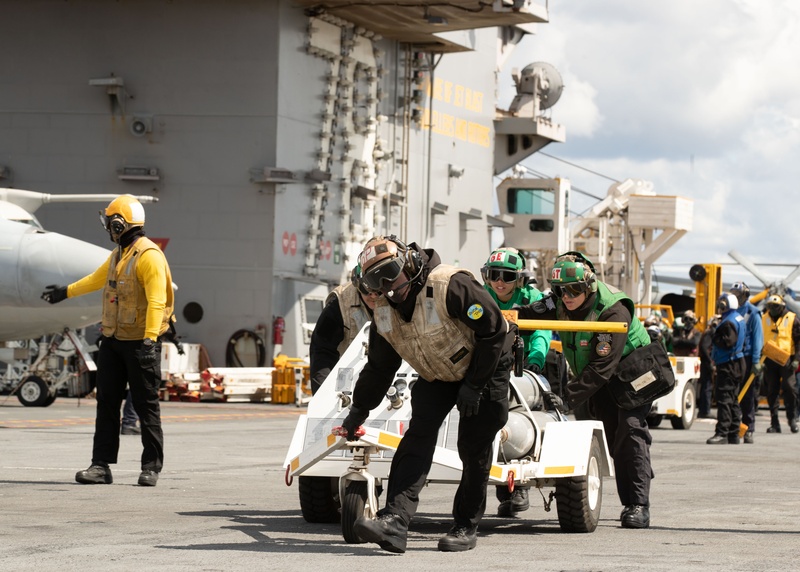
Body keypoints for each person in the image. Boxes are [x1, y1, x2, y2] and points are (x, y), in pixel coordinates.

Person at [341, 235, 514, 553]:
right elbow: (380, 366)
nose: (387, 287)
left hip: (485, 365)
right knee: (417, 437)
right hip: (437, 374)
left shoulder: (450, 284)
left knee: (473, 448)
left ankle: (465, 525)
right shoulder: (383, 310)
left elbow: (494, 331)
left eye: (390, 274)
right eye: (375, 281)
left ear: (407, 263)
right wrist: (359, 411)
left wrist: (475, 385)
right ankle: (393, 522)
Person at [41, 194, 174, 487]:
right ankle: (100, 466)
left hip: (141, 343)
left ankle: (151, 467)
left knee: (146, 405)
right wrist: (65, 292)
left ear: (118, 224)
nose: (107, 228)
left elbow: (156, 302)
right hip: (113, 342)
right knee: (107, 404)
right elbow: (95, 279)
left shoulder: (149, 255)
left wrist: (151, 341)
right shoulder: (118, 255)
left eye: (110, 222)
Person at [515, 251, 655, 529]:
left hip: (631, 373)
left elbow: (603, 364)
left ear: (589, 285)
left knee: (629, 432)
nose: (566, 297)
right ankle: (634, 497)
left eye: (574, 290)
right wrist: (500, 316)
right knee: (612, 437)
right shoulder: (559, 301)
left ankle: (637, 505)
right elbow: (529, 313)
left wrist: (566, 398)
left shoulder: (612, 311)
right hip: (596, 378)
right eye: (560, 291)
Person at [480, 247, 551, 517]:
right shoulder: (480, 296)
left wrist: (534, 361)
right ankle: (505, 490)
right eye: (494, 275)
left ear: (519, 279)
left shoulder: (533, 299)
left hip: (523, 366)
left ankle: (517, 488)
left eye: (507, 276)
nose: (499, 281)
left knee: (518, 419)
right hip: (487, 367)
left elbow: (542, 331)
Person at [309, 265, 380, 395]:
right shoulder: (341, 301)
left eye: (379, 291)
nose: (374, 296)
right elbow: (322, 350)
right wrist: (322, 395)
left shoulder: (403, 293)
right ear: (358, 284)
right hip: (350, 375)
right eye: (367, 290)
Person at [706, 293, 745, 445]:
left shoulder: (728, 322)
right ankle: (733, 433)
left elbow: (728, 342)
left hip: (729, 364)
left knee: (724, 399)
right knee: (733, 399)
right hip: (736, 363)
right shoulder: (738, 318)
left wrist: (714, 334)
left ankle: (722, 433)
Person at [760, 294, 800, 434]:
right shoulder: (764, 319)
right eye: (770, 306)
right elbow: (759, 339)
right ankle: (774, 422)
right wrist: (759, 360)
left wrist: (796, 359)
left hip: (786, 359)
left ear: (782, 307)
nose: (772, 309)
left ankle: (792, 418)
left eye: (775, 307)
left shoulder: (792, 319)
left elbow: (798, 340)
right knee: (772, 390)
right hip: (769, 359)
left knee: (790, 387)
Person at [729, 282, 763, 443]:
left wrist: (756, 361)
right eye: (733, 294)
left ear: (745, 296)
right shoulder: (731, 311)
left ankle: (749, 428)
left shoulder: (753, 313)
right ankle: (734, 426)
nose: (734, 297)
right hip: (734, 357)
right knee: (733, 393)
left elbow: (757, 339)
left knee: (747, 395)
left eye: (738, 294)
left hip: (748, 357)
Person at [696, 316, 718, 419]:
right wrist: (710, 361)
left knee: (706, 386)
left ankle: (704, 410)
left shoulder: (708, 332)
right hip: (706, 363)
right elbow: (704, 348)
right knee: (707, 387)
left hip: (706, 361)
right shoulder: (710, 333)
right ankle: (705, 411)